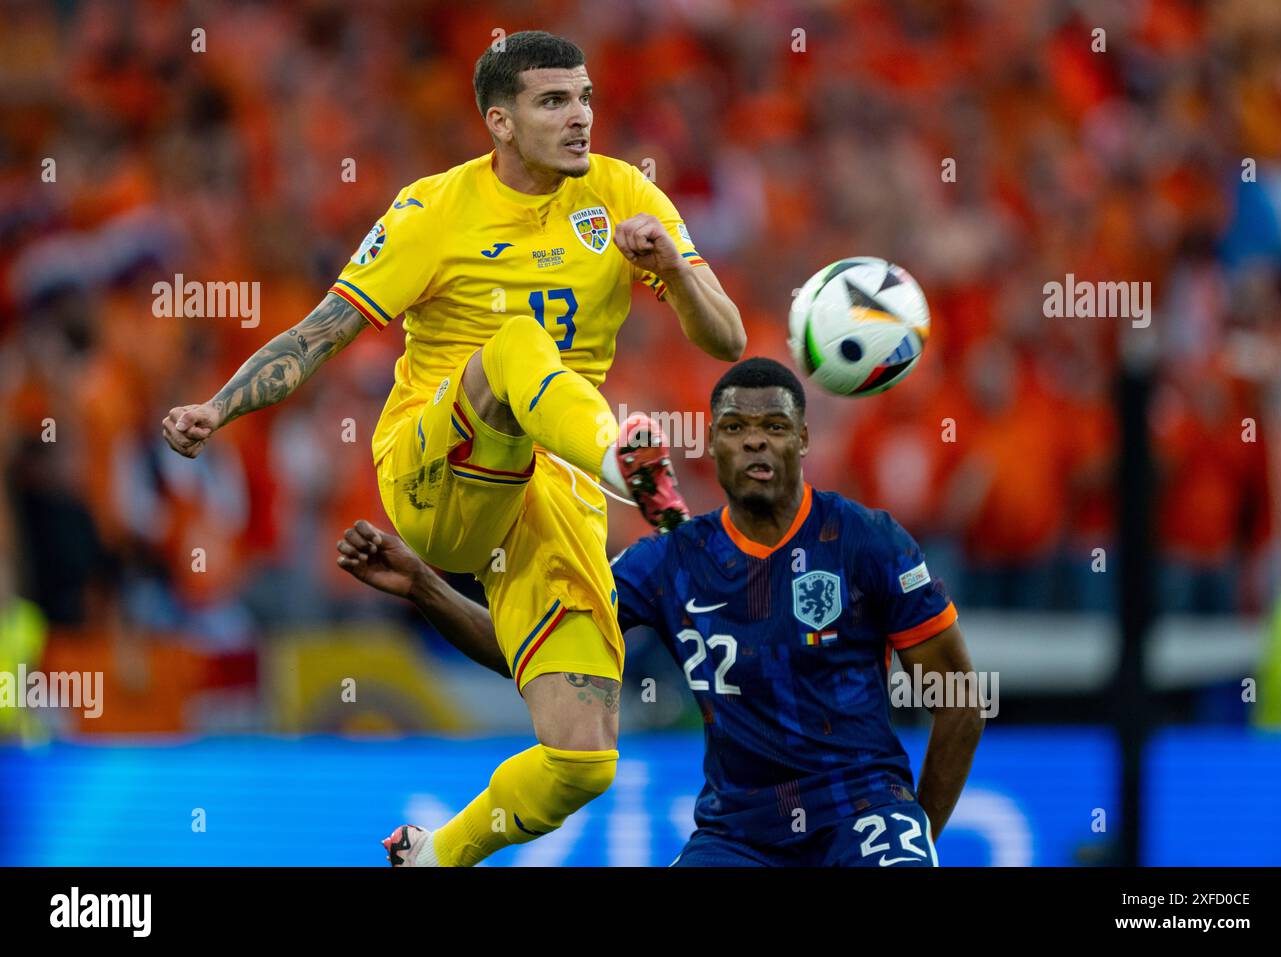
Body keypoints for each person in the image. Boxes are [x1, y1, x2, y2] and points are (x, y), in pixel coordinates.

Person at [162, 30, 744, 868]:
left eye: (584, 98)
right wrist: (219, 407)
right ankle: (626, 465)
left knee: (584, 757)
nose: (579, 117)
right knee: (515, 343)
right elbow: (323, 332)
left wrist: (674, 269)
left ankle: (434, 856)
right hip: (434, 470)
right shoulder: (432, 209)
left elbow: (726, 338)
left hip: (550, 489)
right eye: (553, 102)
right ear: (500, 122)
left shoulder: (623, 193)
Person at [338, 358, 983, 866]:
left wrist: (917, 827)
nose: (755, 441)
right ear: (712, 444)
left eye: (775, 427)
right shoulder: (671, 560)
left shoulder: (867, 540)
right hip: (740, 833)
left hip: (864, 811)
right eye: (735, 428)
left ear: (804, 439)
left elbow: (958, 696)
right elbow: (534, 652)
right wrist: (426, 587)